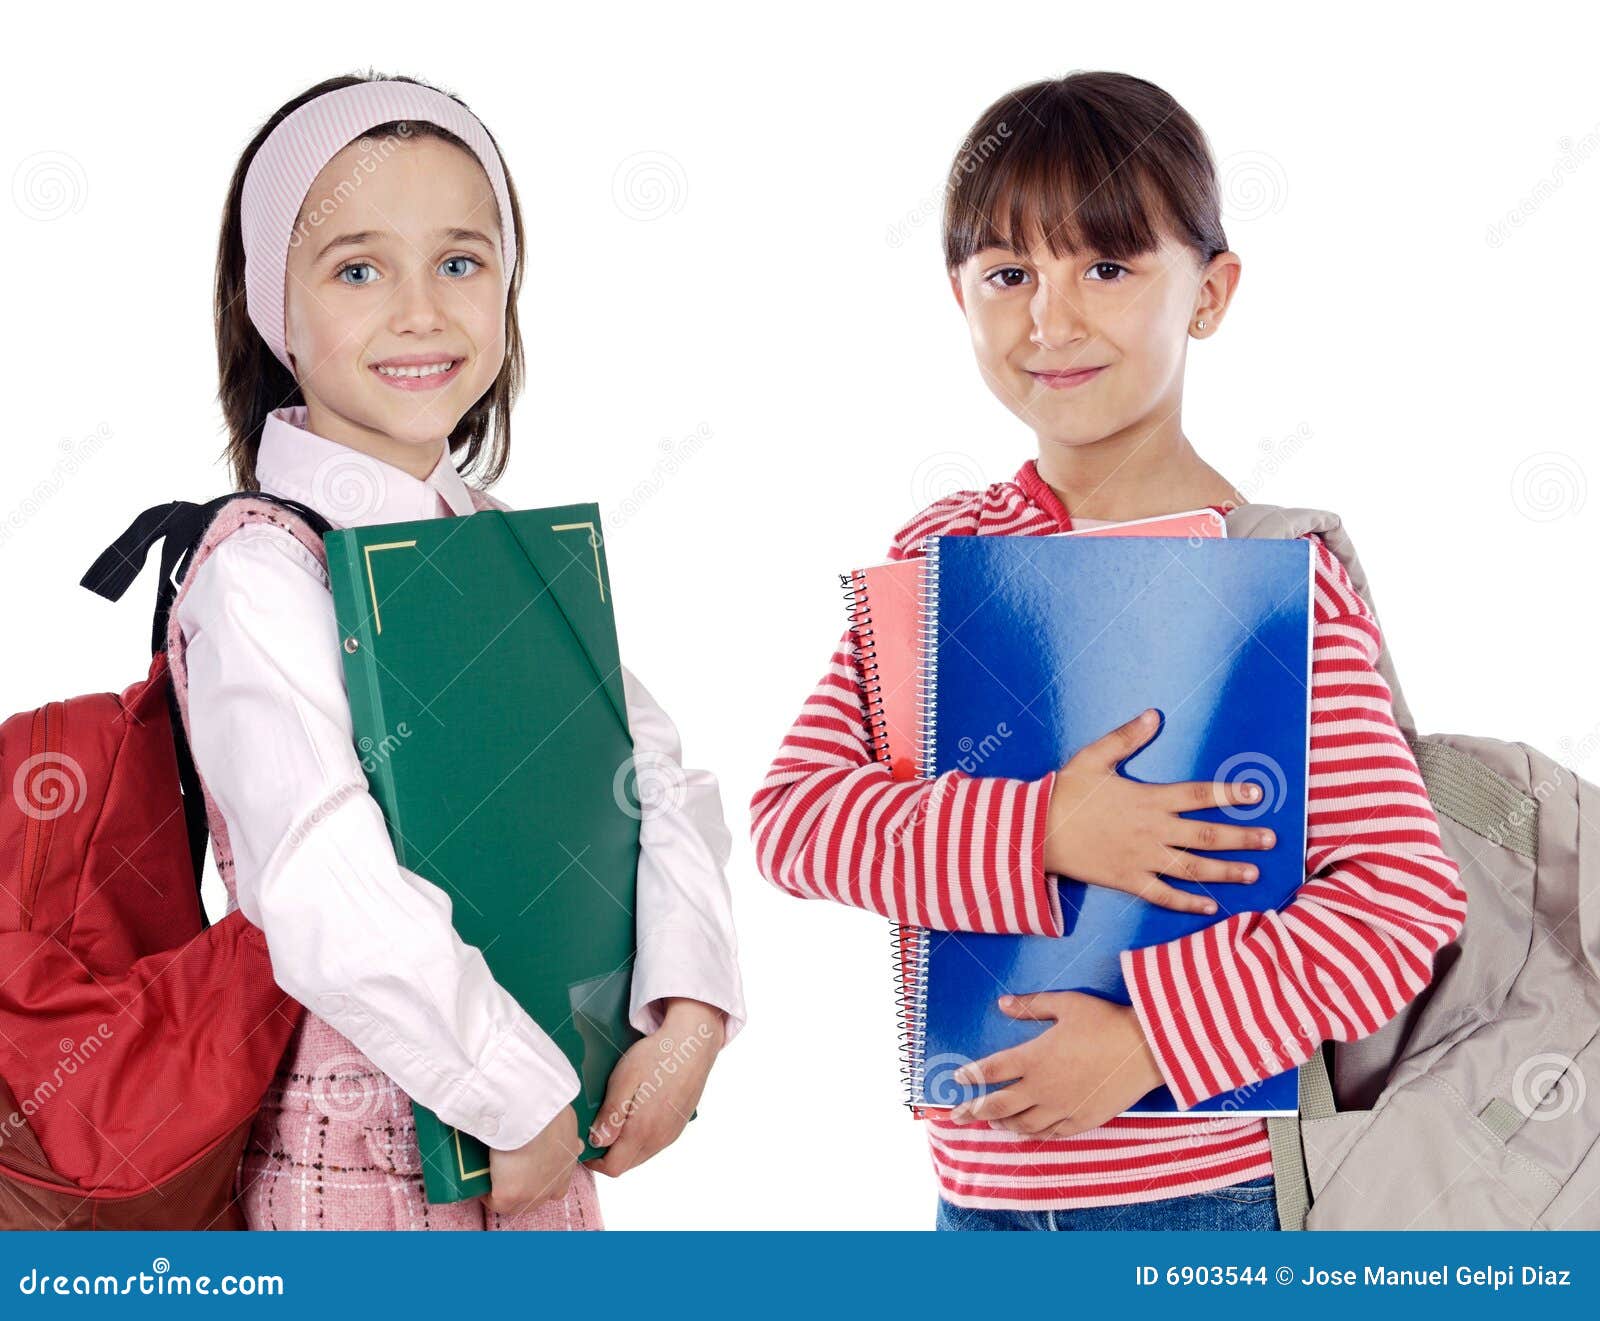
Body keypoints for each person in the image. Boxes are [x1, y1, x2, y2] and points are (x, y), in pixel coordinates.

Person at [749, 71, 1466, 1231]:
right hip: (970, 1207)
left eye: (1110, 267)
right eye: (1009, 274)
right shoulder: (940, 561)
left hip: (1203, 1203)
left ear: (1210, 292)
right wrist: (1043, 830)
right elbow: (797, 819)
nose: (1053, 319)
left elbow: (1398, 907)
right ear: (959, 294)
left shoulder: (1275, 575)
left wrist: (1146, 1041)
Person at [174, 71, 745, 1230]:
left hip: (546, 1145)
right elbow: (321, 873)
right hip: (358, 1174)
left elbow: (657, 781)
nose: (421, 312)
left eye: (461, 262)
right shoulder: (259, 569)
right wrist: (508, 1088)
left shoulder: (511, 549)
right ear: (268, 304)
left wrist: (687, 1016)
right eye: (357, 269)